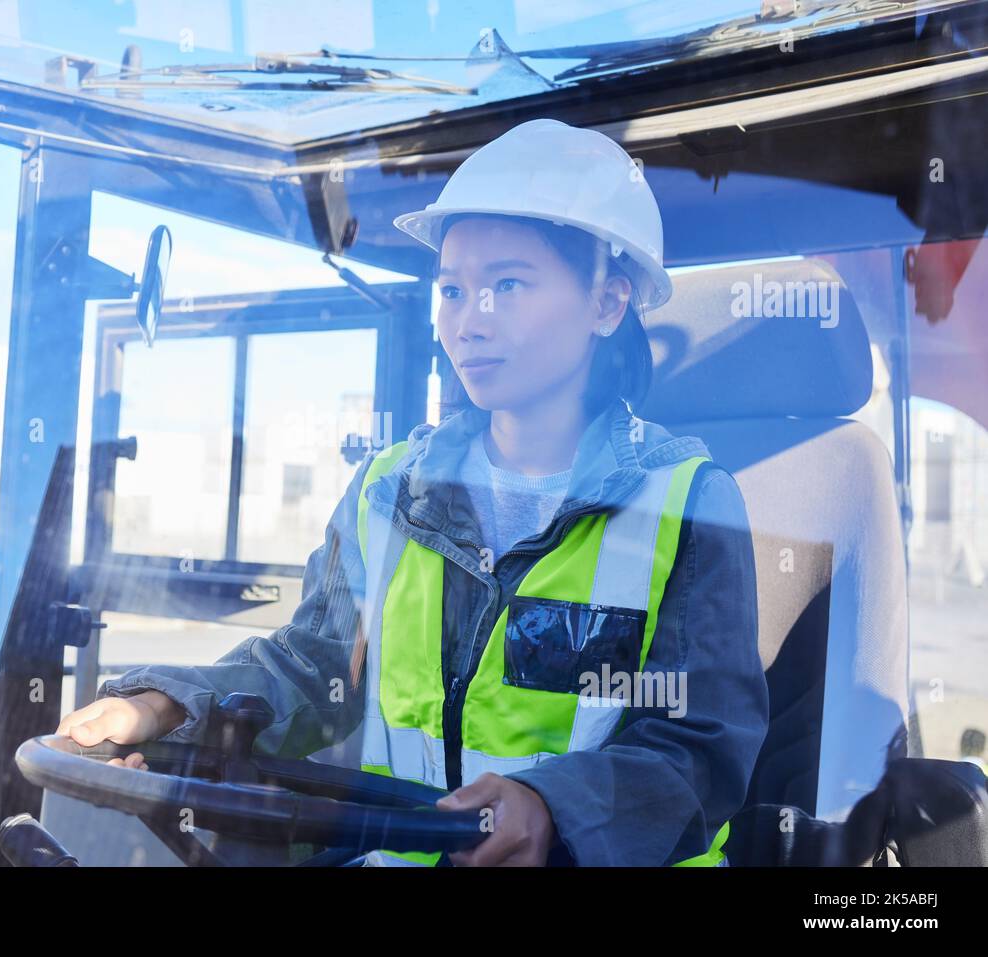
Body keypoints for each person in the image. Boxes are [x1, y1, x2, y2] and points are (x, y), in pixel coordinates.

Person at [58, 119, 769, 866]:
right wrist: (168, 704)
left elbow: (696, 747)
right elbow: (313, 664)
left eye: (508, 285)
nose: (469, 321)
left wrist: (552, 807)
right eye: (453, 289)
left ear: (607, 303)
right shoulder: (389, 488)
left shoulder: (686, 502)